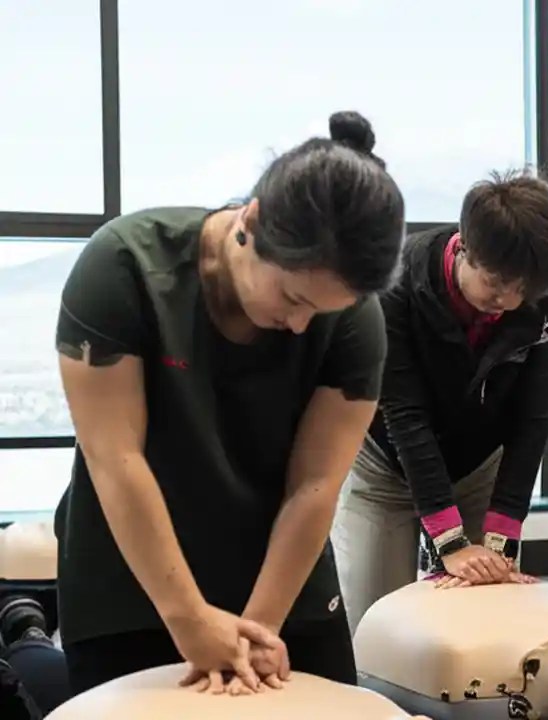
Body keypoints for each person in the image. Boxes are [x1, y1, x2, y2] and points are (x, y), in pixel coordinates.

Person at [53, 111, 405, 694]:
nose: (300, 325)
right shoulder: (123, 269)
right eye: (293, 298)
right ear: (252, 221)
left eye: (321, 312)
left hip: (282, 574)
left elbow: (315, 486)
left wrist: (258, 629)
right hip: (133, 578)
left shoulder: (353, 320)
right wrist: (188, 617)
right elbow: (114, 457)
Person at [331, 169, 548, 632]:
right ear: (464, 247)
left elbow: (532, 418)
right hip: (386, 467)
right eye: (496, 283)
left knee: (486, 619)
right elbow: (404, 413)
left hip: (478, 467)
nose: (509, 301)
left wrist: (503, 538)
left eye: (523, 290)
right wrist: (450, 540)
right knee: (371, 623)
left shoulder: (547, 300)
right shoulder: (397, 283)